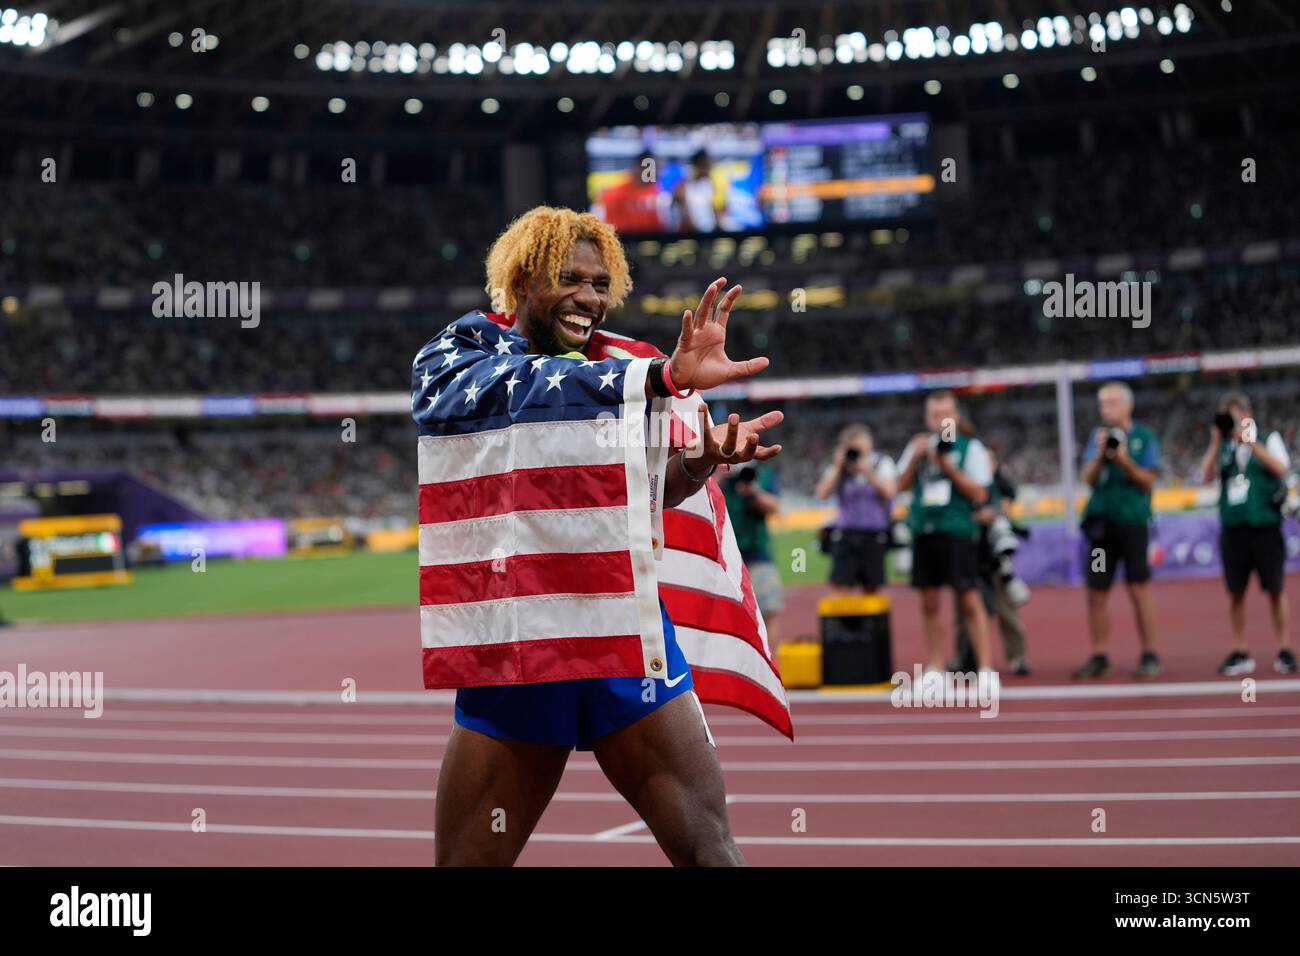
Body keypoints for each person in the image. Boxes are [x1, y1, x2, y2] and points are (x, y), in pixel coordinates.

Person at [416, 207, 784, 867]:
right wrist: (660, 382)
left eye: (600, 282)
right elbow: (490, 394)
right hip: (520, 643)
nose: (591, 297)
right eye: (572, 278)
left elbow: (650, 489)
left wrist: (700, 459)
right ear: (523, 279)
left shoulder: (622, 365)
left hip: (624, 630)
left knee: (711, 850)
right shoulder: (465, 350)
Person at [896, 390, 995, 678]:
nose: (940, 421)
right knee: (929, 602)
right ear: (927, 418)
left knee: (969, 599)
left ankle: (986, 668)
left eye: (945, 414)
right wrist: (915, 458)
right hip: (924, 531)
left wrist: (947, 466)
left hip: (958, 532)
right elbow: (898, 487)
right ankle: (936, 668)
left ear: (956, 417)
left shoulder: (970, 447)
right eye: (935, 415)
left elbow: (979, 492)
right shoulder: (917, 446)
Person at [1200, 391, 1296, 675]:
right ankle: (1241, 651)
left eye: (1235, 415)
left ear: (1247, 414)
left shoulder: (1269, 438)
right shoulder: (1225, 447)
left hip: (1264, 525)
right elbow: (1205, 476)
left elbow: (1281, 468)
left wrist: (1251, 444)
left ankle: (1284, 649)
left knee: (1276, 589)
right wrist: (1216, 442)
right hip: (1233, 527)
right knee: (1235, 592)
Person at [1074, 381, 1161, 679]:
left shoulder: (1143, 438)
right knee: (1096, 590)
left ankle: (1149, 653)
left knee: (1138, 587)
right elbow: (1087, 478)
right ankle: (1100, 655)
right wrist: (1100, 455)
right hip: (1102, 528)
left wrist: (1123, 458)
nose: (1105, 408)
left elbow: (1148, 481)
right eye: (1102, 403)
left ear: (1128, 405)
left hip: (1133, 523)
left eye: (1111, 402)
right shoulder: (1096, 438)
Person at [952, 443, 1031, 676]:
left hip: (994, 553)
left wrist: (996, 514)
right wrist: (977, 516)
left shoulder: (999, 485)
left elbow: (1007, 504)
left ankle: (1018, 656)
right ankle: (965, 657)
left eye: (989, 460)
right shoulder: (965, 483)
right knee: (964, 608)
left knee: (1006, 606)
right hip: (969, 551)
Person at [815, 424, 896, 595]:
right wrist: (838, 467)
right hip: (846, 535)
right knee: (840, 589)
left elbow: (889, 493)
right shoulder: (841, 467)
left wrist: (868, 472)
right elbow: (822, 494)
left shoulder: (882, 463)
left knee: (872, 590)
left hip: (874, 536)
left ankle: (871, 622)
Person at [721, 461, 784, 646]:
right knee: (728, 619)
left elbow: (774, 506)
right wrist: (720, 477)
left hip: (758, 554)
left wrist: (753, 492)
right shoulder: (719, 471)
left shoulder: (763, 473)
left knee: (768, 614)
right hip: (725, 557)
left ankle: (774, 671)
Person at [673, 149, 718, 232]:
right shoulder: (683, 187)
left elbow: (714, 212)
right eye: (708, 165)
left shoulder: (708, 184)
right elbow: (686, 217)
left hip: (710, 232)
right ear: (700, 166)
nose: (710, 169)